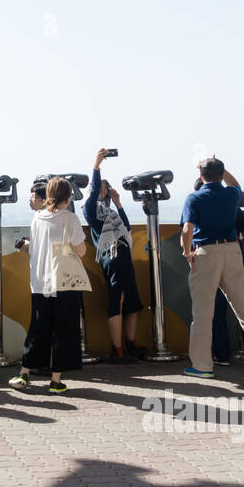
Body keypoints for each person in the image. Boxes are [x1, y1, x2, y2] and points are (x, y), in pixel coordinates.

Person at [180, 158, 244, 378]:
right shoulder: (232, 195)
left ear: (200, 175)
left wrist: (187, 252)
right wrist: (222, 169)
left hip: (206, 253)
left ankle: (202, 366)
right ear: (221, 173)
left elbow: (187, 229)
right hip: (233, 251)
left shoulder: (194, 198)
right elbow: (235, 185)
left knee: (203, 313)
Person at [9, 177, 87, 394]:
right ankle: (56, 380)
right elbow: (81, 251)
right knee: (64, 331)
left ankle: (24, 373)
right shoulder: (70, 219)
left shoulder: (38, 218)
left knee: (38, 329)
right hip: (65, 282)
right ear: (68, 197)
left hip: (40, 282)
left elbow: (34, 248)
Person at [83, 149, 145, 362]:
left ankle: (130, 343)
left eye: (106, 188)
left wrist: (118, 203)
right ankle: (116, 349)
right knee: (116, 301)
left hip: (124, 255)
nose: (103, 190)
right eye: (101, 187)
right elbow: (91, 195)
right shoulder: (91, 210)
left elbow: (126, 228)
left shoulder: (111, 212)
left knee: (132, 302)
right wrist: (97, 165)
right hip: (112, 256)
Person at [192, 177, 244, 367]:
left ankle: (221, 355)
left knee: (214, 312)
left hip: (208, 263)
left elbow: (188, 232)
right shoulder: (232, 208)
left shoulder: (196, 205)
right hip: (235, 263)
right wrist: (238, 252)